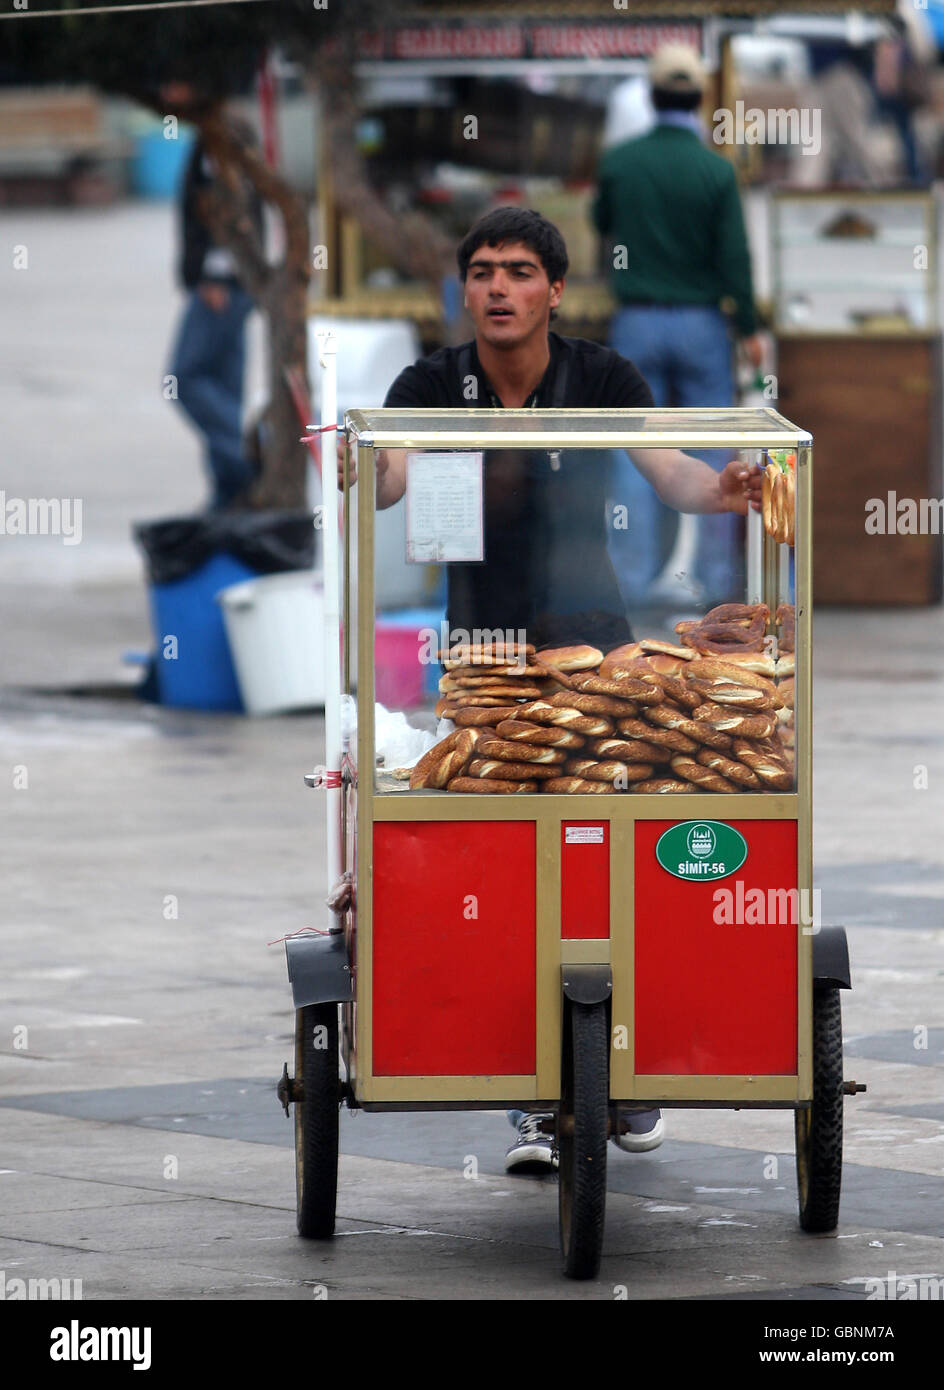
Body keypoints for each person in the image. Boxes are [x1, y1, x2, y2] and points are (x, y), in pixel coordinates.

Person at [347, 206, 760, 1173]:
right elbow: (392, 474)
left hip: (598, 654)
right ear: (465, 289)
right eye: (482, 271)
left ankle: (630, 1074)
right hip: (484, 661)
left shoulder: (604, 376)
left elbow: (670, 472)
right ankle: (538, 1097)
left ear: (555, 290)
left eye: (520, 271)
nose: (498, 287)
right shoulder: (429, 383)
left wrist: (728, 485)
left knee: (615, 865)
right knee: (503, 872)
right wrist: (355, 467)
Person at [592, 44, 763, 605]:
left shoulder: (620, 162)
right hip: (701, 326)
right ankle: (714, 587)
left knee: (635, 455)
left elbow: (600, 223)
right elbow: (735, 259)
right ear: (699, 98)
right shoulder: (715, 170)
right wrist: (752, 326)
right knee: (717, 459)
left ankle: (631, 584)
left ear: (652, 94)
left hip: (637, 323)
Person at [168, 132, 260, 511]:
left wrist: (215, 276)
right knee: (224, 388)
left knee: (184, 379)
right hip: (238, 283)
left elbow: (228, 208)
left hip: (221, 287)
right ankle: (230, 491)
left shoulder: (218, 137)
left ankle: (247, 460)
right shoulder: (221, 133)